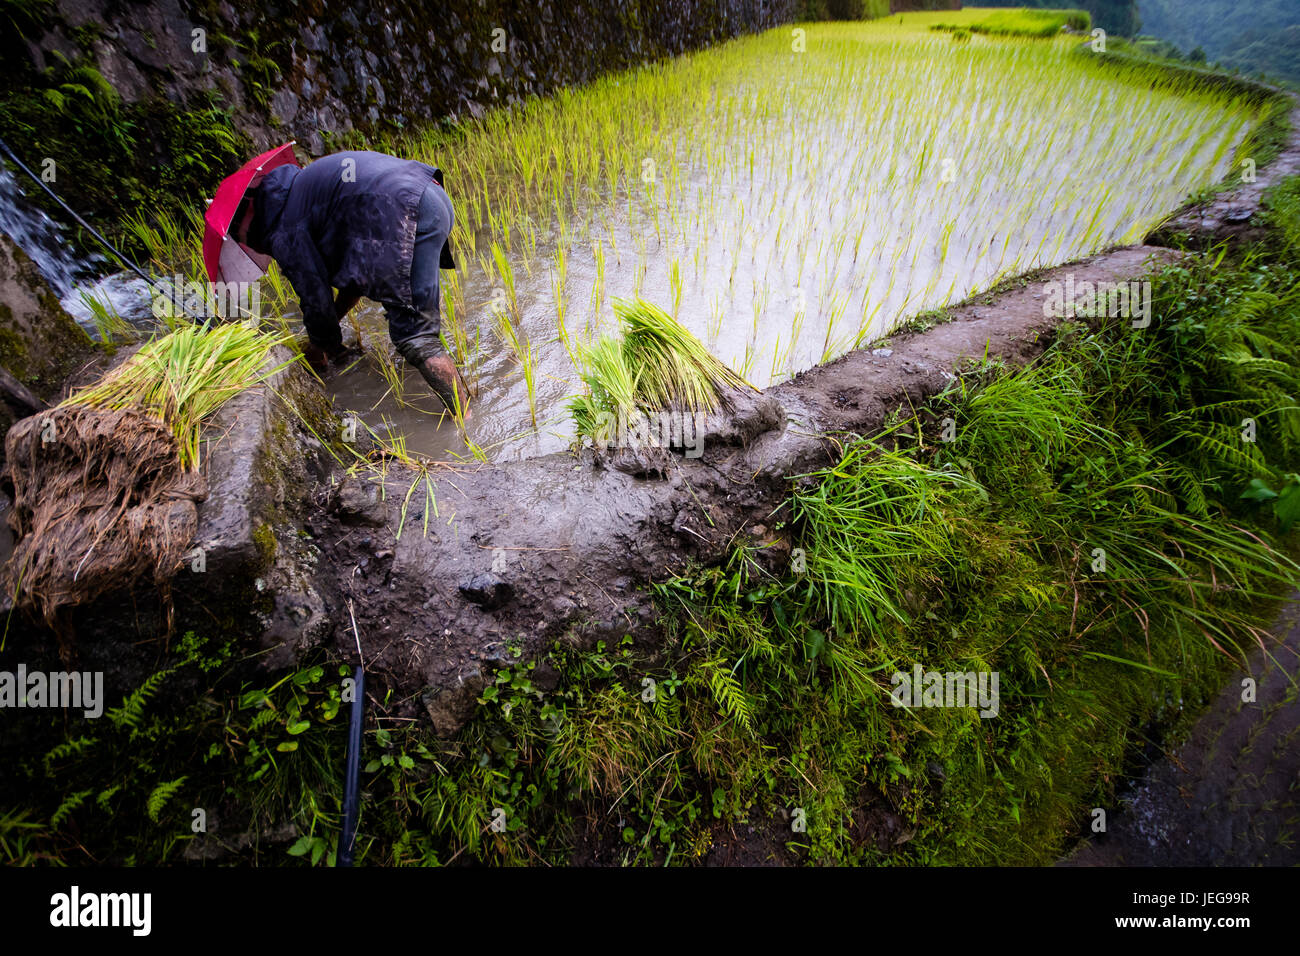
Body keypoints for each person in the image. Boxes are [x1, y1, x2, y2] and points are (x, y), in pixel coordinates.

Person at [231, 150, 470, 415]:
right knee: (417, 321)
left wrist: (320, 345)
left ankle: (465, 421)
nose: (243, 241)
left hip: (403, 215)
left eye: (237, 234)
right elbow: (355, 280)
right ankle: (462, 396)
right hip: (431, 196)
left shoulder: (286, 228)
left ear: (247, 213)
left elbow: (314, 295)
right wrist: (330, 334)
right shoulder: (302, 192)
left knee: (415, 337)